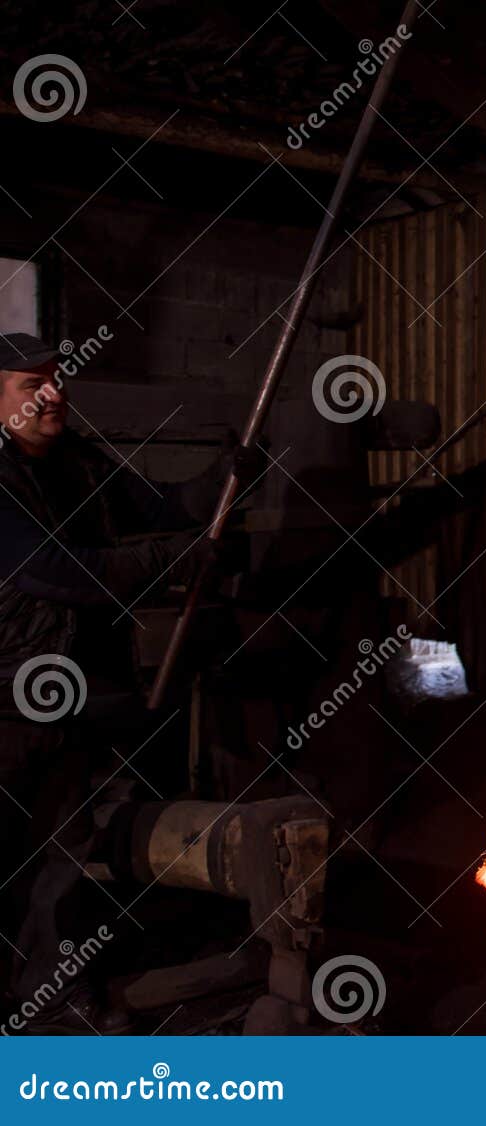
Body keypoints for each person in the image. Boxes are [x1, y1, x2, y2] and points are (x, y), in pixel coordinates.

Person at [0, 332, 256, 1033]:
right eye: (32, 385)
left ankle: (47, 994)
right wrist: (182, 555)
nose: (54, 394)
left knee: (60, 855)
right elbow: (60, 572)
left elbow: (162, 507)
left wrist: (225, 479)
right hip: (7, 703)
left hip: (77, 699)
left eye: (57, 380)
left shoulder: (78, 462)